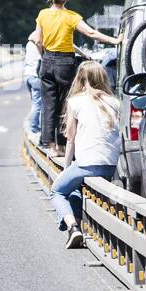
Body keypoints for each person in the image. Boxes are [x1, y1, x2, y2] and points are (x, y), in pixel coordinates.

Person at [28, 0, 120, 151]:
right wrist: (115, 41)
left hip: (47, 61)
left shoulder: (42, 14)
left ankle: (50, 145)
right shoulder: (71, 17)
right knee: (65, 103)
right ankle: (63, 145)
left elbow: (38, 40)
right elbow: (91, 33)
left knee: (49, 104)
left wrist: (44, 56)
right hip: (65, 63)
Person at [49, 61, 121, 248]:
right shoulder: (114, 102)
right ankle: (77, 229)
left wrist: (66, 170)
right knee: (75, 188)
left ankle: (73, 227)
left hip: (86, 164)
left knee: (57, 191)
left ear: (80, 79)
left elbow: (71, 140)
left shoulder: (76, 101)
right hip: (110, 164)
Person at [23, 38, 42, 143]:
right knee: (38, 105)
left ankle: (34, 128)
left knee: (34, 104)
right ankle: (34, 130)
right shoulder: (39, 41)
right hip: (36, 76)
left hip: (28, 75)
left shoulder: (29, 42)